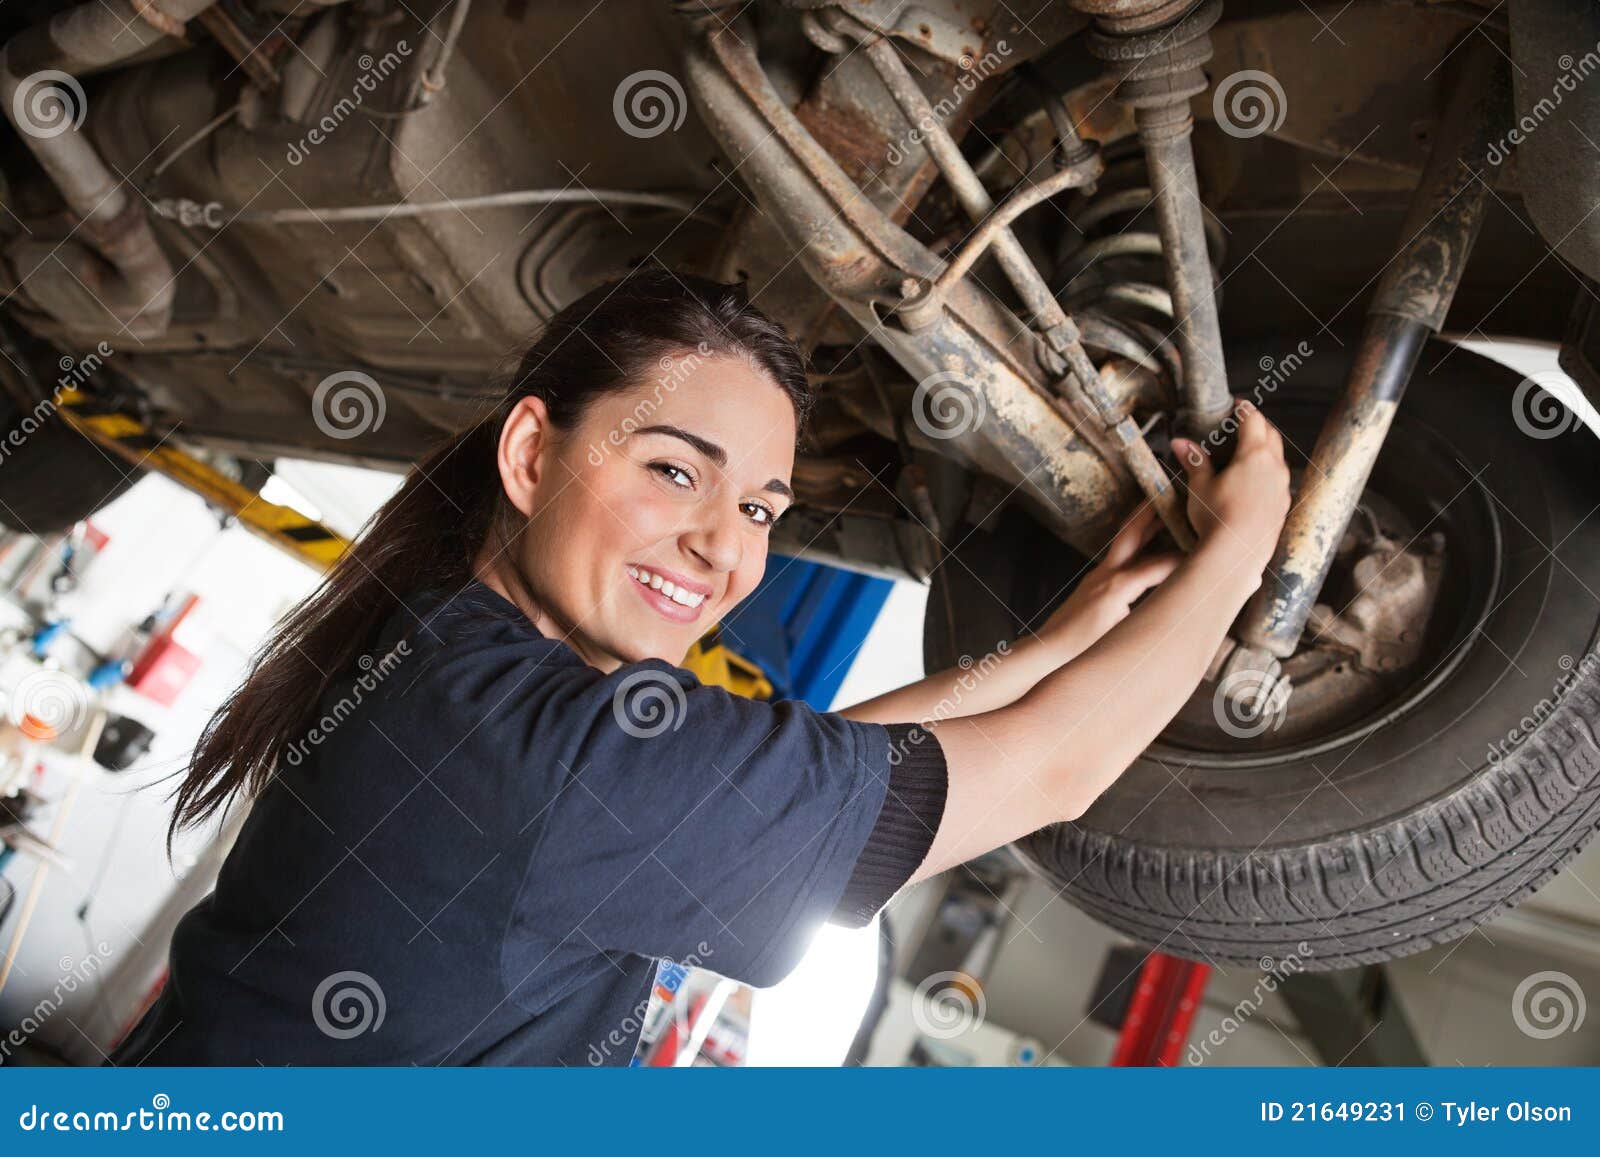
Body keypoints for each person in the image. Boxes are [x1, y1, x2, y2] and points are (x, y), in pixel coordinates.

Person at [109, 267, 1290, 1065]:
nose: (725, 546)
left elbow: (811, 781)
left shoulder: (448, 662)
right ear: (532, 453)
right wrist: (1239, 550)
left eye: (764, 507)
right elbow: (1051, 772)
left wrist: (1059, 641)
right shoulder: (540, 749)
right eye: (675, 470)